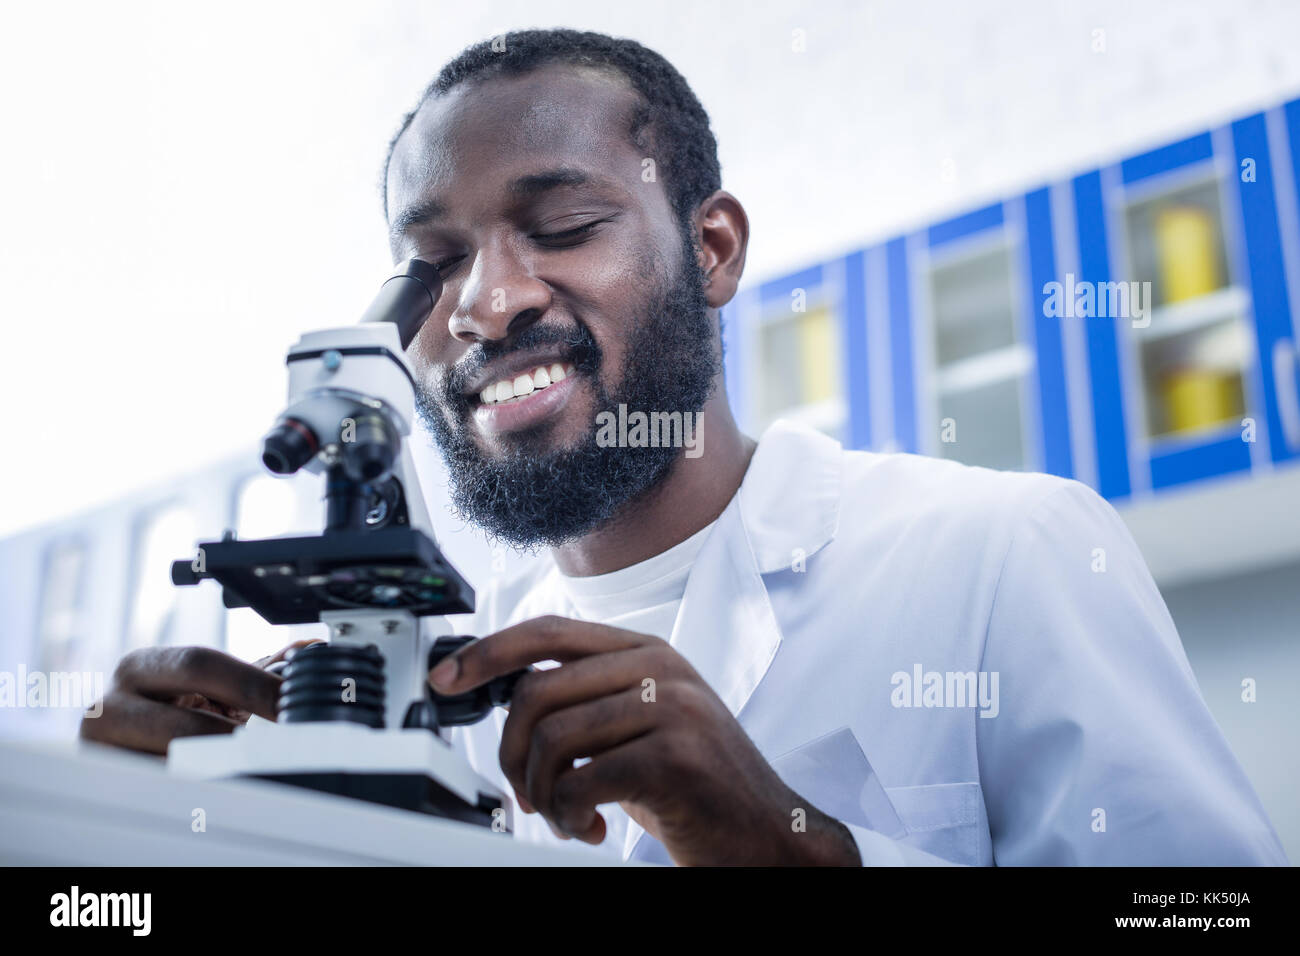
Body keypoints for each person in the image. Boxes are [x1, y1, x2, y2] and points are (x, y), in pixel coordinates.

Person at [82, 29, 1288, 867]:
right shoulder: (426, 683)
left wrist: (799, 847)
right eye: (435, 266)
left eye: (561, 225)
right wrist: (125, 849)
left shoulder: (1000, 552)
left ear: (710, 249)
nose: (486, 302)